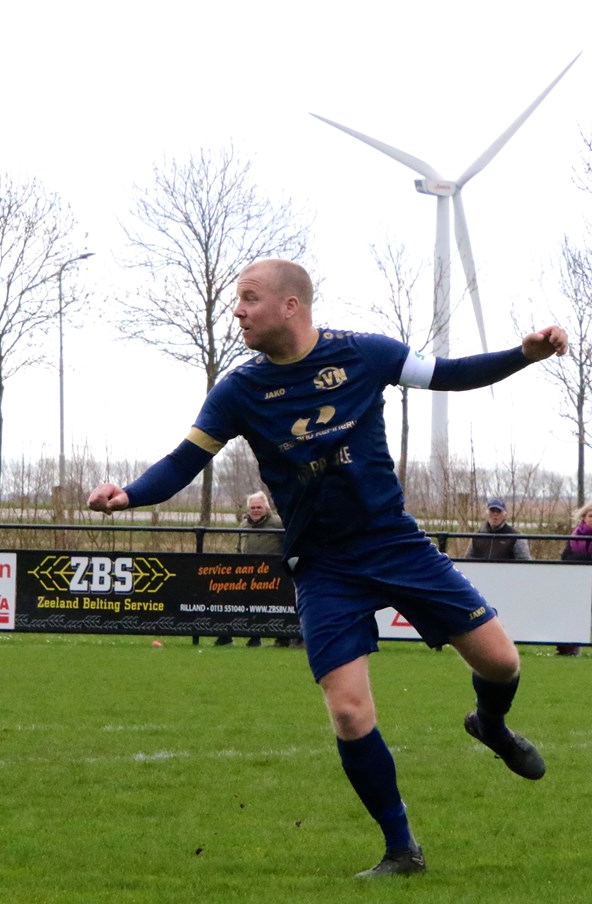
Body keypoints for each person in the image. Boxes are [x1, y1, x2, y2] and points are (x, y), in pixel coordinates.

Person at [86, 259, 567, 878]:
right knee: (348, 711)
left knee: (502, 662)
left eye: (248, 299)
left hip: (394, 543)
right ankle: (402, 850)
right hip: (322, 564)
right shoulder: (239, 390)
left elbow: (450, 374)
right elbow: (184, 461)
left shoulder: (366, 355)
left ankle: (491, 726)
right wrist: (129, 494)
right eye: (237, 300)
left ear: (291, 306)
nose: (237, 311)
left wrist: (522, 354)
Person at [237, 490, 295, 648]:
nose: (256, 510)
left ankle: (283, 638)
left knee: (277, 606)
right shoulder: (243, 526)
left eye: (259, 507)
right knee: (252, 606)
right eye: (253, 507)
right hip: (249, 574)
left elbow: (289, 545)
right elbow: (238, 549)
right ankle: (254, 637)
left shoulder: (278, 524)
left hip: (274, 574)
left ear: (266, 508)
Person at [556, 499, 592, 655]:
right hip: (577, 581)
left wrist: (583, 558)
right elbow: (566, 557)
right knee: (573, 612)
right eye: (590, 516)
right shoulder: (576, 533)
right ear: (584, 517)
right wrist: (589, 557)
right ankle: (571, 647)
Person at [464, 497, 531, 562]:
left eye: (499, 511)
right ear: (487, 513)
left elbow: (525, 565)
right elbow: (468, 561)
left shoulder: (516, 537)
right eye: (492, 511)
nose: (495, 515)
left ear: (505, 514)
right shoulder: (477, 537)